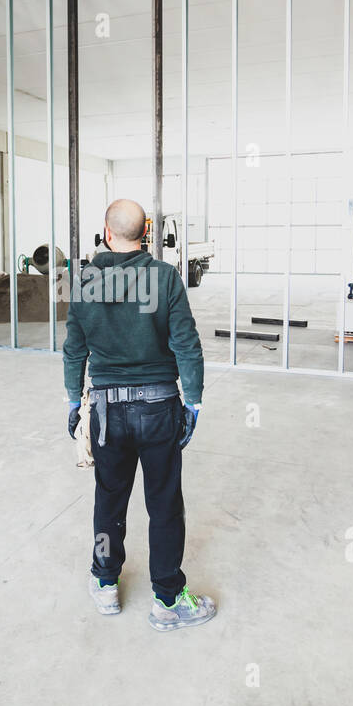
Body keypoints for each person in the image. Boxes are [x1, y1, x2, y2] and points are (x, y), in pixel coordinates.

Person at [62, 198, 215, 631]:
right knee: (164, 505)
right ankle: (167, 601)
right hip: (159, 409)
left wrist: (74, 401)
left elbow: (75, 349)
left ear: (106, 233)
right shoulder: (165, 278)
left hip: (107, 412)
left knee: (109, 499)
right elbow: (187, 343)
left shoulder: (85, 281)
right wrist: (194, 402)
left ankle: (106, 583)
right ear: (146, 233)